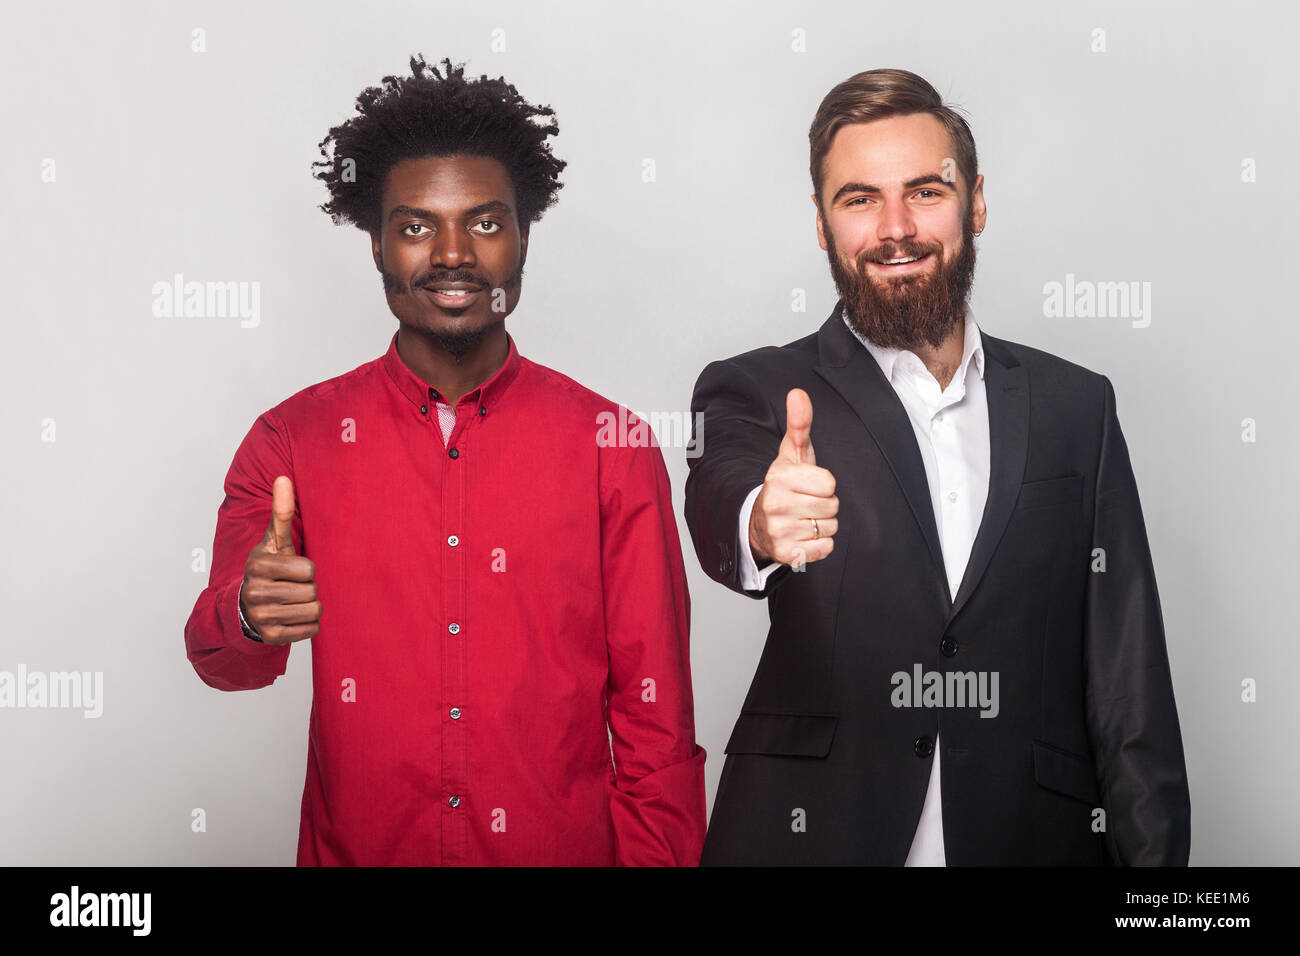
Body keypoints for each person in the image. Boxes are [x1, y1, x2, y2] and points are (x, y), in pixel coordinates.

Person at [184, 55, 706, 866]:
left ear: (524, 237)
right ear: (377, 245)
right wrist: (250, 615)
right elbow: (225, 665)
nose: (453, 253)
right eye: (418, 225)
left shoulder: (614, 447)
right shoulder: (292, 442)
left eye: (486, 222)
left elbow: (656, 725)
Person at [684, 68, 1190, 865]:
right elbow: (723, 493)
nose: (895, 228)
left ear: (976, 202)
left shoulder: (1076, 408)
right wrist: (761, 518)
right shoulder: (756, 388)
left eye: (925, 191)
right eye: (858, 199)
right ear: (822, 224)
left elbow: (1130, 687)